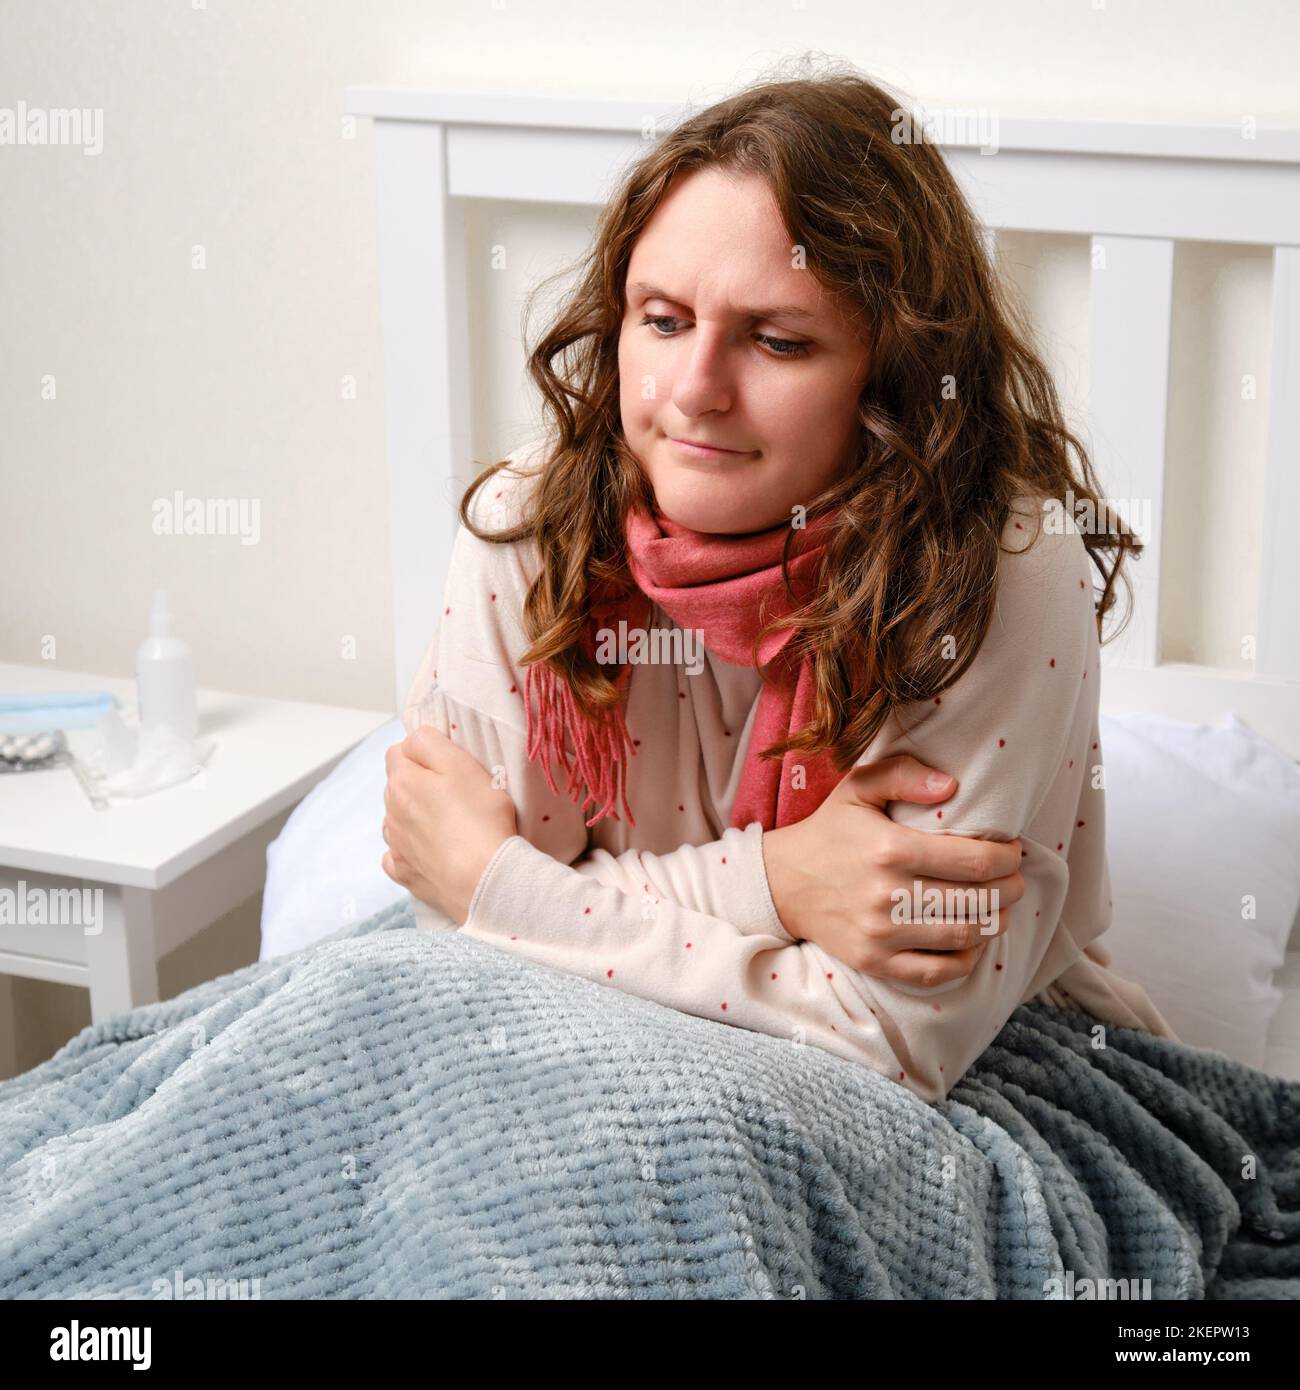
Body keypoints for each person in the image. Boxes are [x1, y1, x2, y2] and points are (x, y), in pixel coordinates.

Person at [380, 66, 1175, 1103]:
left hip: (952, 1083)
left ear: (891, 374)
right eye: (661, 321)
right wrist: (780, 880)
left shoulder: (999, 564)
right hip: (536, 1042)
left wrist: (514, 891)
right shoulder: (531, 526)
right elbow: (457, 936)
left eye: (777, 340)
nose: (695, 392)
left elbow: (886, 1034)